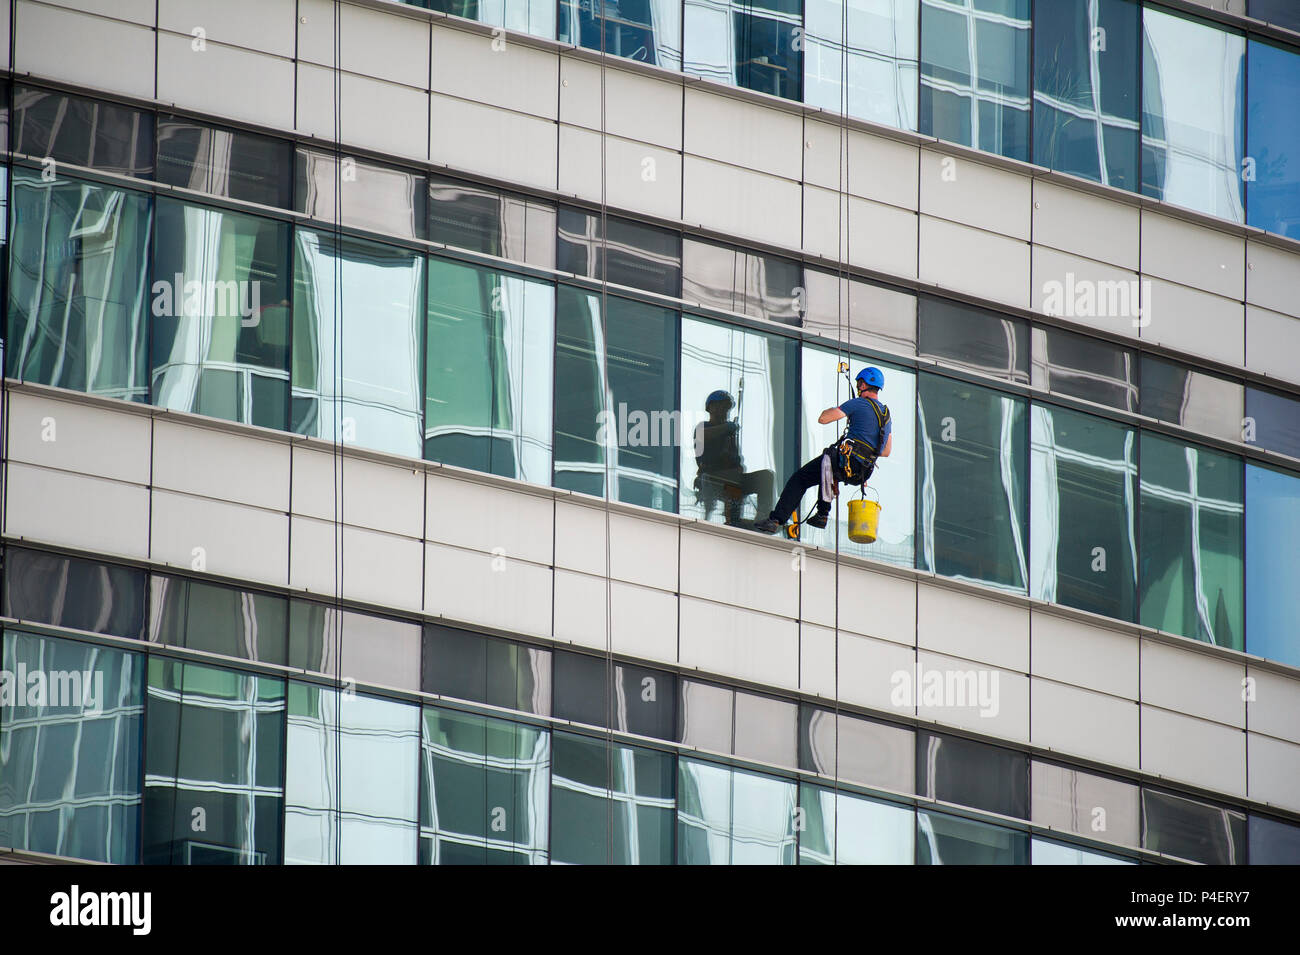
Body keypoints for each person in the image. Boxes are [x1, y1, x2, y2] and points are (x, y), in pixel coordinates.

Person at [754, 367, 891, 534]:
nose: (858, 387)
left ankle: (776, 520)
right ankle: (822, 515)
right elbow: (885, 451)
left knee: (801, 478)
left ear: (863, 384)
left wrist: (842, 409)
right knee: (826, 469)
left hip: (846, 461)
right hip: (862, 471)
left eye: (858, 384)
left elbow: (823, 419)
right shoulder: (886, 415)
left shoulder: (857, 403)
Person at [693, 390, 774, 527]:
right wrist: (726, 428)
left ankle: (763, 517)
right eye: (721, 406)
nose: (725, 411)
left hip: (731, 478)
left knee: (765, 477)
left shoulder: (729, 434)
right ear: (711, 408)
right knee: (732, 482)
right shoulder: (704, 427)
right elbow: (704, 436)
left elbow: (734, 458)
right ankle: (733, 521)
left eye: (726, 408)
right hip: (713, 478)